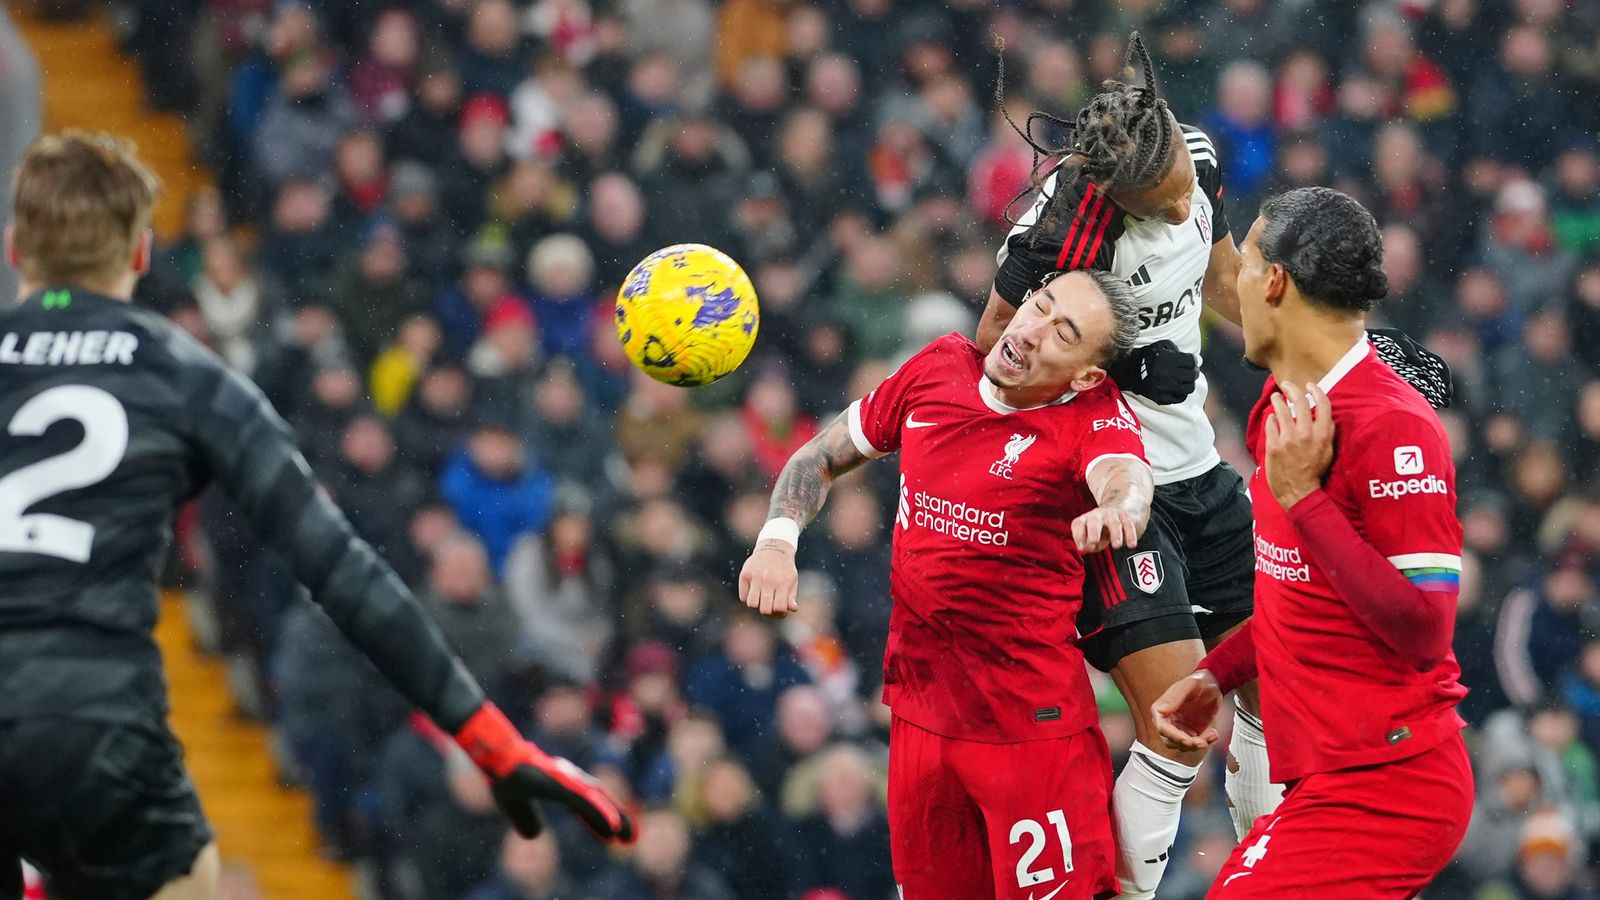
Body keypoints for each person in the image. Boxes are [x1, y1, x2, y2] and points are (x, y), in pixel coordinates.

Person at [0, 132, 633, 900]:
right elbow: (345, 572)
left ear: (13, 248)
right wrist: (493, 742)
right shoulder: (194, 376)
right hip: (100, 721)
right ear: (139, 255)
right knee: (185, 878)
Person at [741, 267, 1151, 900]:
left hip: (1028, 733)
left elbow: (1126, 477)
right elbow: (818, 456)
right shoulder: (939, 368)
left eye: (1063, 333)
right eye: (1039, 306)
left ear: (1089, 374)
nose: (1033, 330)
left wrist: (1119, 510)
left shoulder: (1093, 418)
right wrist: (776, 542)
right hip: (920, 719)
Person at [979, 32, 1268, 898]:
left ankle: (1276, 877)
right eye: (1162, 204)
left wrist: (1317, 346)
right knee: (1183, 722)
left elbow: (1220, 283)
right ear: (1115, 197)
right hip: (1109, 492)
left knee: (1272, 696)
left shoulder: (1198, 158)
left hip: (1200, 473)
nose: (1182, 208)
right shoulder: (1064, 231)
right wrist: (1128, 366)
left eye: (1184, 186)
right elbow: (995, 347)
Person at [1153, 187, 1472, 897]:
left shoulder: (1394, 426)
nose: (1229, 283)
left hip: (1392, 785)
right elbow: (1301, 600)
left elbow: (1425, 628)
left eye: (1244, 266)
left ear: (1274, 281)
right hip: (1329, 778)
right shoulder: (1283, 405)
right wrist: (1217, 674)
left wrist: (1304, 499)